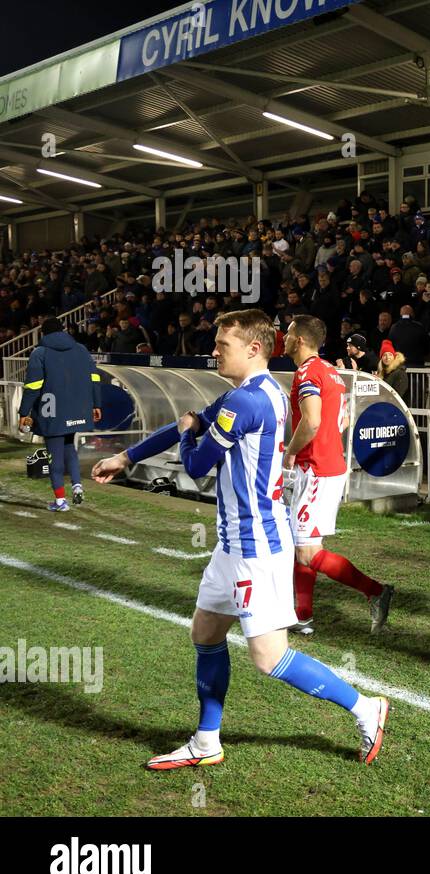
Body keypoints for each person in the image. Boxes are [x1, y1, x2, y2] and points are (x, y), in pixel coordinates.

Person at [91, 309, 389, 769]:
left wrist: (191, 434)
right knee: (205, 632)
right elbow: (185, 422)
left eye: (221, 344)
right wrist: (128, 456)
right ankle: (207, 740)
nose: (213, 351)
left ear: (253, 348)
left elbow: (194, 463)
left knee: (269, 658)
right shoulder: (254, 393)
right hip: (232, 544)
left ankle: (366, 707)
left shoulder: (245, 403)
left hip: (256, 548)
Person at [281, 316, 395, 637]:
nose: (284, 338)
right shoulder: (331, 371)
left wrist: (291, 451)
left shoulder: (307, 372)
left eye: (288, 333)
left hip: (315, 467)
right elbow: (338, 420)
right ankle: (301, 615)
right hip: (328, 464)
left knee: (306, 551)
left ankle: (375, 591)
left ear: (300, 340)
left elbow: (313, 421)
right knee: (304, 543)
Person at [18, 317, 102, 511]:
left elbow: (33, 386)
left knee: (54, 455)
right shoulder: (81, 349)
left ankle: (60, 502)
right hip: (77, 408)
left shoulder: (40, 352)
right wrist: (97, 404)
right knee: (69, 447)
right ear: (63, 330)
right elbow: (95, 378)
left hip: (51, 409)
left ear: (43, 333)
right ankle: (77, 485)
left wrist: (24, 411)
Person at [376, 339, 410, 403]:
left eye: (390, 354)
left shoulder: (400, 373)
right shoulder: (382, 373)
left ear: (394, 357)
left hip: (396, 408)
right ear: (381, 358)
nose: (387, 357)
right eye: (384, 355)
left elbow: (398, 395)